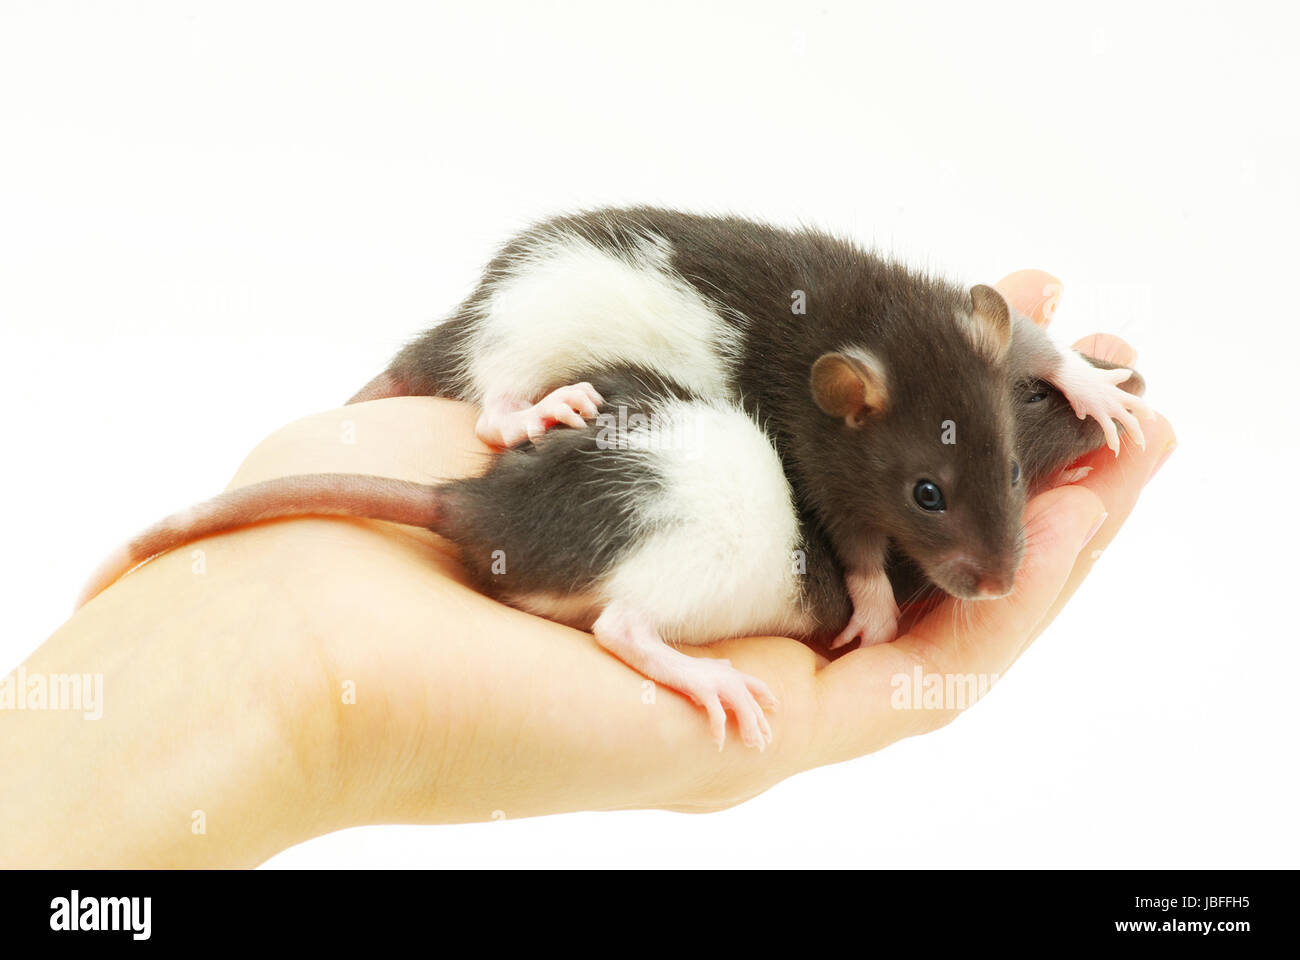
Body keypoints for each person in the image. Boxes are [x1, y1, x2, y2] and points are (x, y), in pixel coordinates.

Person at [0, 271, 1175, 867]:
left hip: (614, 479)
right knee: (712, 478)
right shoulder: (815, 440)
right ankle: (628, 619)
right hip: (631, 502)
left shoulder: (874, 414)